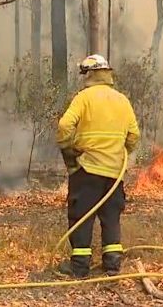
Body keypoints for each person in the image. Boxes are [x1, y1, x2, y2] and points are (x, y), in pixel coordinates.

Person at [56, 54, 140, 278]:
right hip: (114, 172)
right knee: (111, 216)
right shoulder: (122, 100)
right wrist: (119, 153)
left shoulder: (84, 98)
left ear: (90, 74)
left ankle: (80, 267)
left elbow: (65, 125)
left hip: (88, 170)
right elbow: (134, 135)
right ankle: (112, 265)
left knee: (81, 215)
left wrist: (68, 149)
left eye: (84, 73)